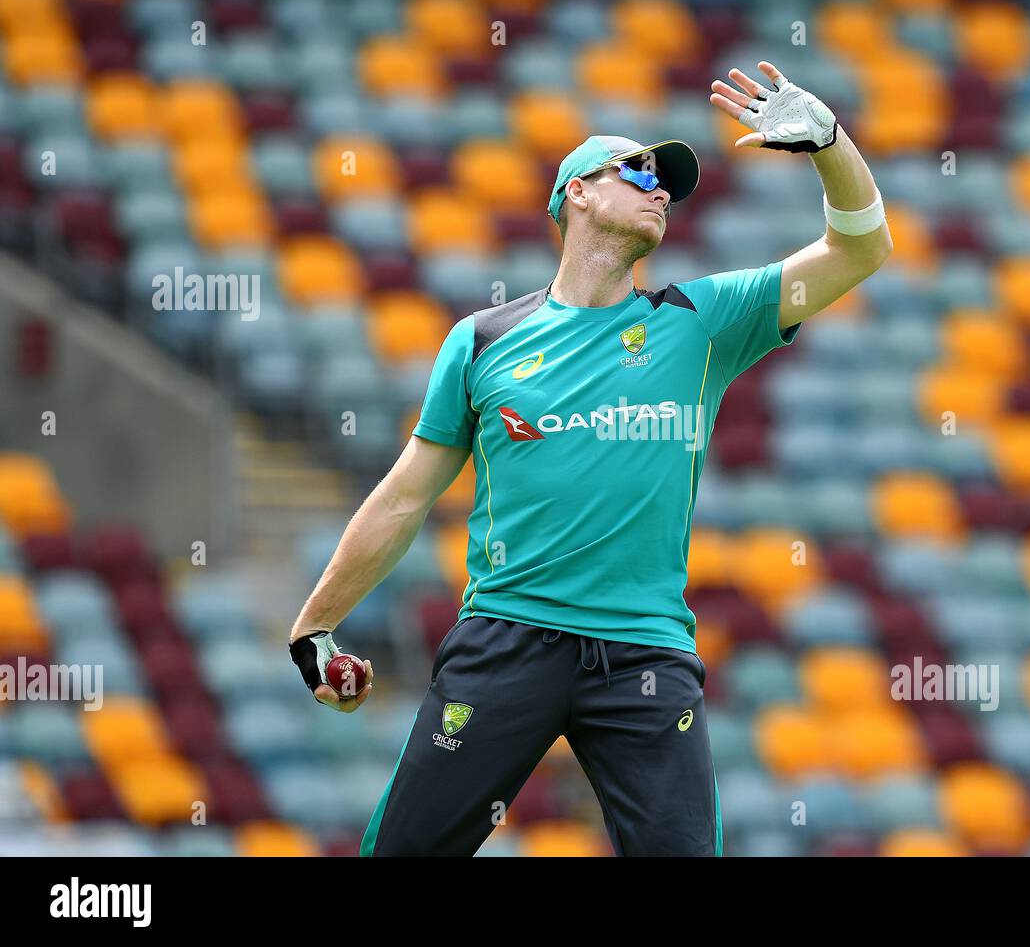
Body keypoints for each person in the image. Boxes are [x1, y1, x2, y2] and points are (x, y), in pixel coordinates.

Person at [289, 61, 893, 856]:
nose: (659, 191)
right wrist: (317, 626)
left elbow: (861, 250)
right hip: (506, 637)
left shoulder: (702, 320)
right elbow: (405, 497)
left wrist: (830, 145)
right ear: (575, 190)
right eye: (638, 170)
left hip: (646, 655)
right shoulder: (483, 340)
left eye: (667, 185)